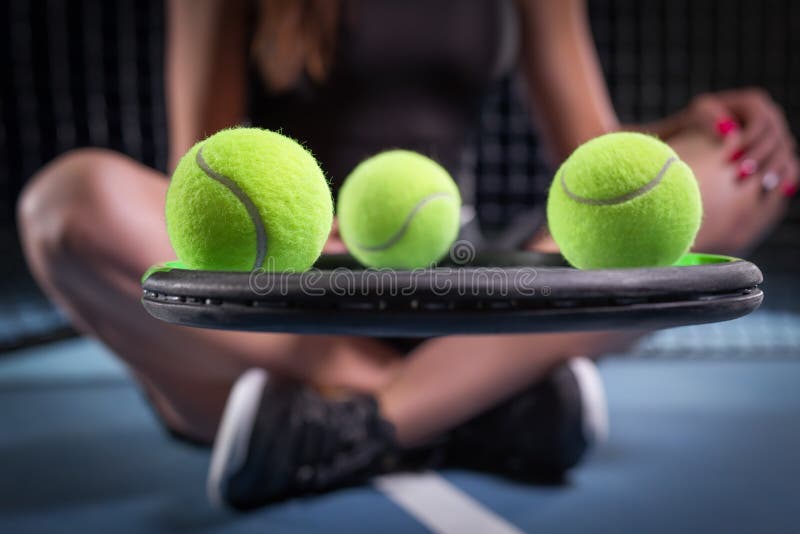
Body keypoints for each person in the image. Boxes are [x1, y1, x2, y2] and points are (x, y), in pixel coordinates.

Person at [17, 0, 797, 509]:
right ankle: (476, 404)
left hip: (466, 284)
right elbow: (207, 181)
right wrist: (336, 259)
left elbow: (596, 160)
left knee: (732, 174)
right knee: (65, 205)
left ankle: (361, 423)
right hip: (299, 301)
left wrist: (682, 132)